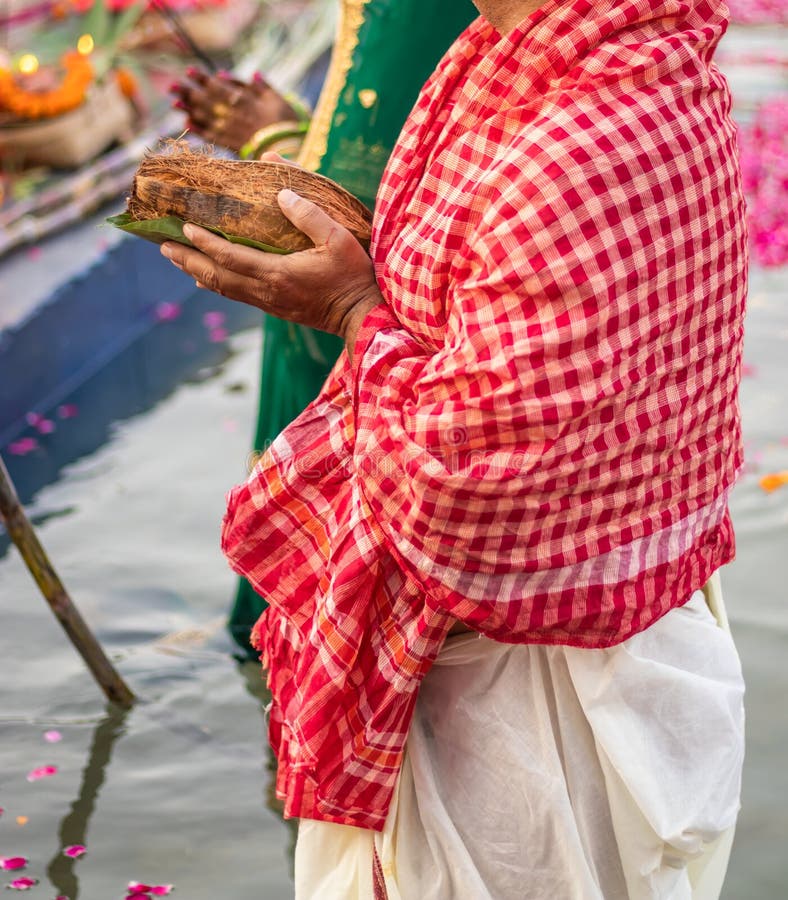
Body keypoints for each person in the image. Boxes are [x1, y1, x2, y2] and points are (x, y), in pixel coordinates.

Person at [160, 0, 748, 896]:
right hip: (608, 621)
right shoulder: (592, 53)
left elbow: (461, 481)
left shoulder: (574, 137)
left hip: (523, 698)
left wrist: (350, 309)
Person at [171, 0, 478, 655]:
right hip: (348, 334)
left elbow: (374, 213)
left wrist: (276, 144)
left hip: (369, 348)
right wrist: (287, 136)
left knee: (359, 647)